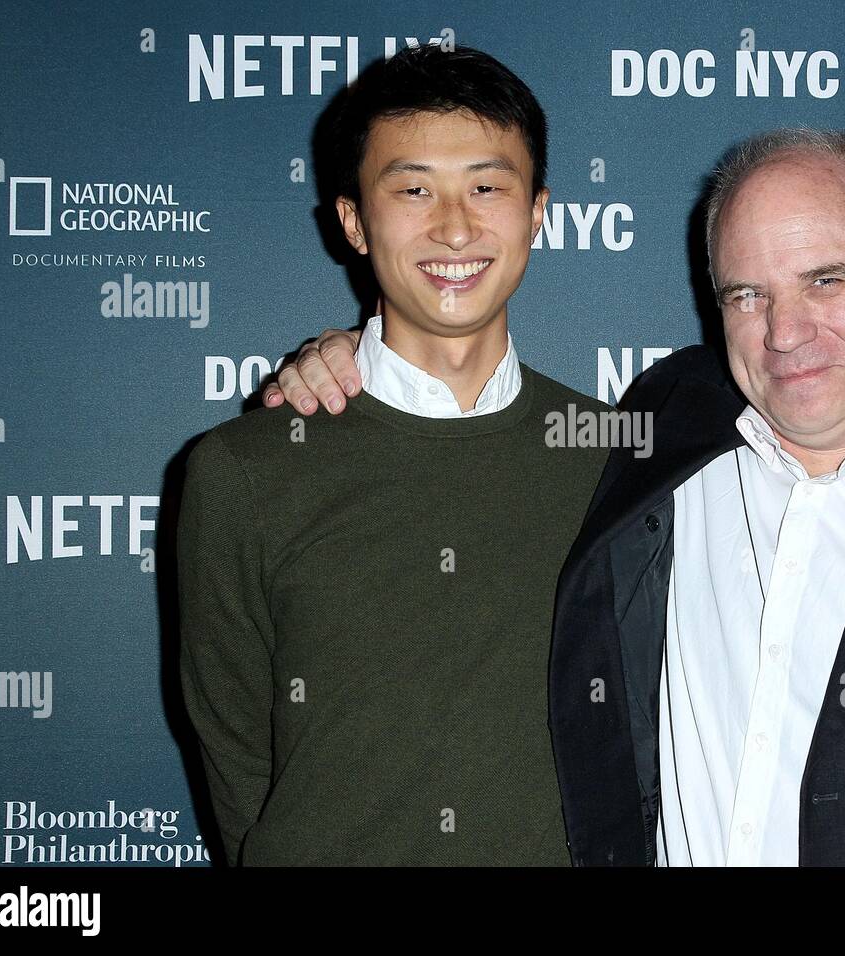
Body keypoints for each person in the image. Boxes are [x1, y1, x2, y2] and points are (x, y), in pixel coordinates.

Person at [267, 129, 845, 867]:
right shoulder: (669, 421)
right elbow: (483, 430)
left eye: (827, 279)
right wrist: (359, 365)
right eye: (746, 294)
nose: (786, 330)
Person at [177, 45, 608, 865]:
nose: (454, 225)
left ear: (538, 212)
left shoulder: (614, 459)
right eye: (413, 189)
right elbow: (237, 760)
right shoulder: (245, 472)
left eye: (488, 186)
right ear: (351, 221)